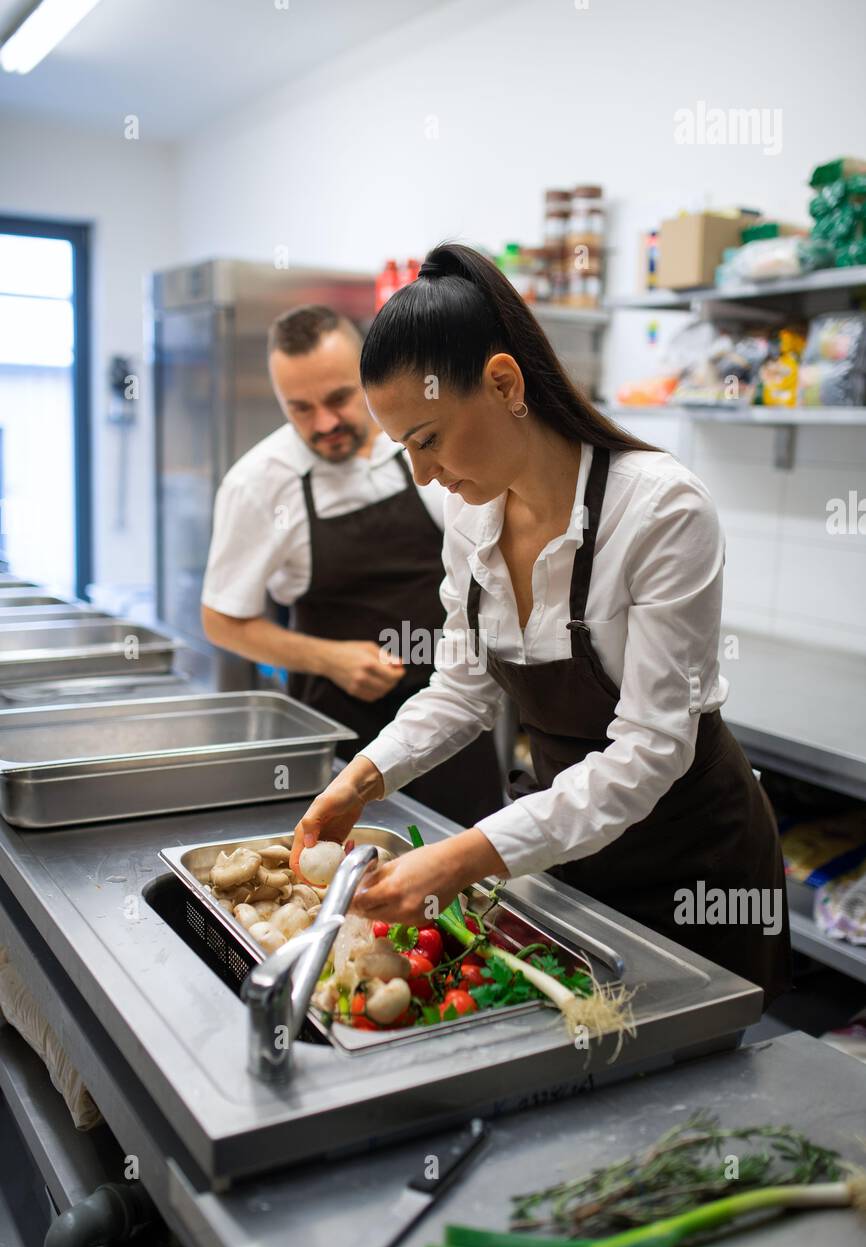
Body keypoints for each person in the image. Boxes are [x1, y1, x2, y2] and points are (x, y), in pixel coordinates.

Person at [291, 244, 791, 1006]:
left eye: (428, 438)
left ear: (503, 383)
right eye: (404, 449)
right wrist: (360, 780)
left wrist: (466, 856)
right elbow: (461, 692)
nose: (422, 474)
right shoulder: (471, 512)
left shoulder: (659, 510)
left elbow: (653, 747)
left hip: (694, 859)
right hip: (566, 844)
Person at [201, 302, 502, 827]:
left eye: (339, 398)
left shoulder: (425, 443)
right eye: (300, 409)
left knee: (469, 883)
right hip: (339, 734)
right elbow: (220, 620)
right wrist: (329, 658)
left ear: (368, 375)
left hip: (452, 715)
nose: (325, 423)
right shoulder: (257, 485)